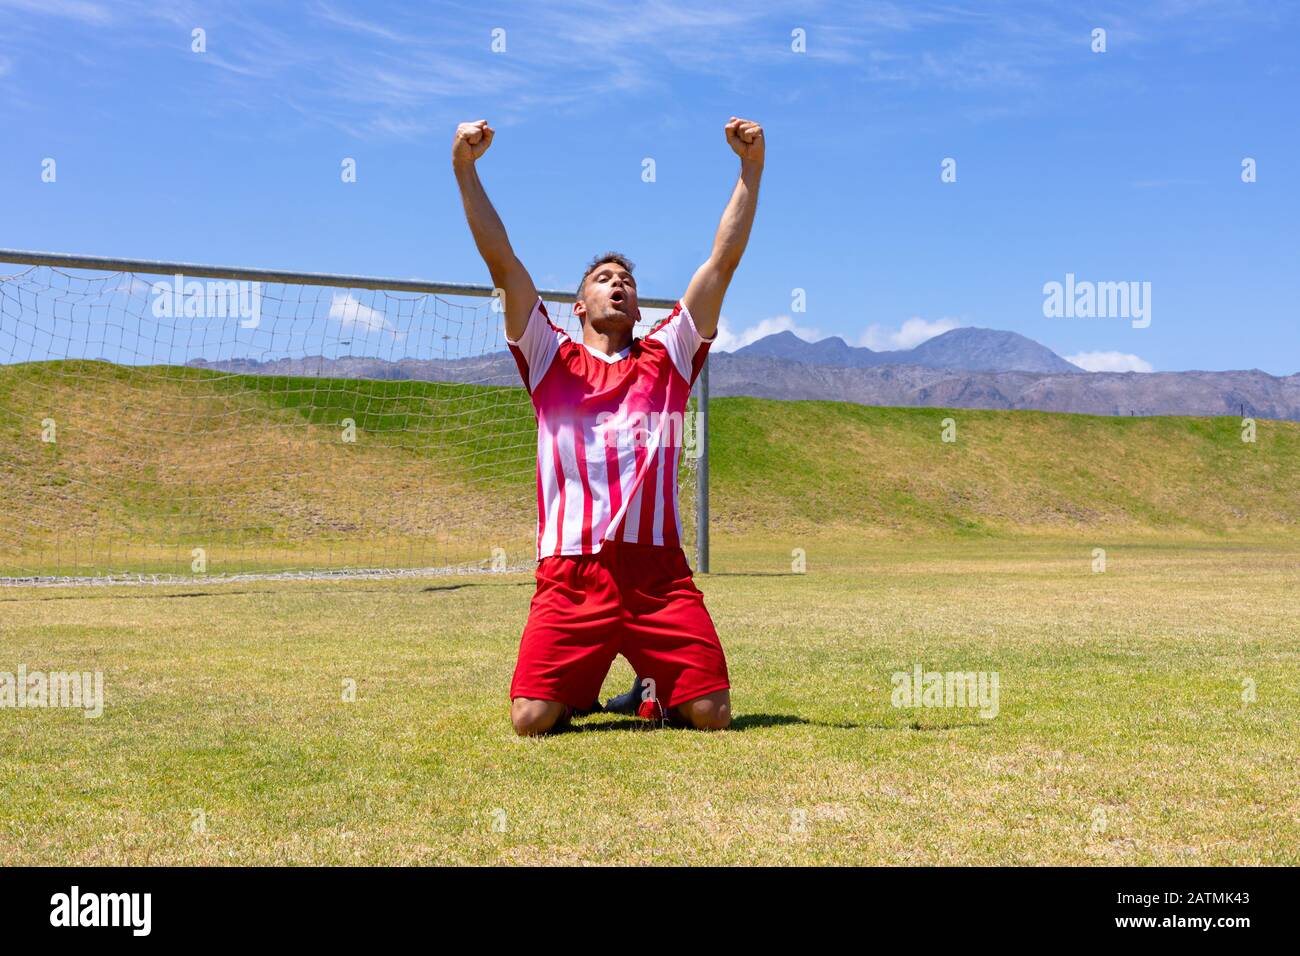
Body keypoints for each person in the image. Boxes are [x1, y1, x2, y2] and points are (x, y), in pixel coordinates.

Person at [452, 116, 764, 735]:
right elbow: (504, 265)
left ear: (639, 305)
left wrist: (749, 169)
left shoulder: (668, 355)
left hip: (657, 573)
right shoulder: (548, 358)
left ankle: (654, 690)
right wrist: (465, 167)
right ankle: (579, 686)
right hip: (571, 574)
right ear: (579, 305)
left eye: (627, 281)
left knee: (712, 717)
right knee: (532, 721)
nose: (617, 285)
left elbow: (720, 264)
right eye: (604, 279)